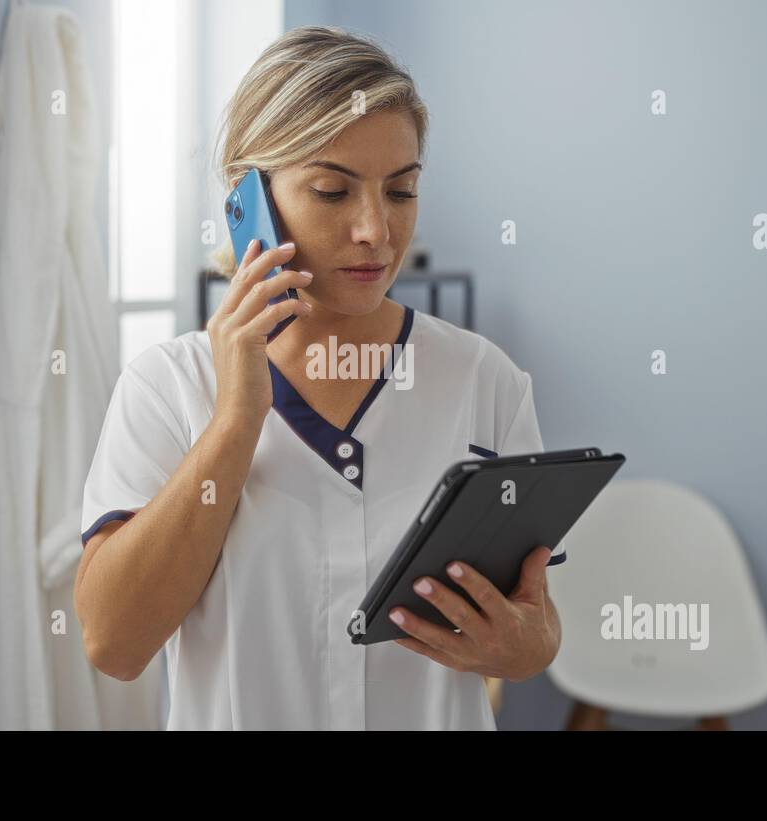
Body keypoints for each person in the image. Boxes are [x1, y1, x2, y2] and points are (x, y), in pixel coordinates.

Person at [74, 25, 566, 730]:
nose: (375, 230)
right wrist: (237, 419)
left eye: (400, 191)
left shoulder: (483, 379)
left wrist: (525, 648)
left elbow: (538, 622)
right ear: (251, 202)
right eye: (333, 191)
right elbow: (115, 644)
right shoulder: (165, 387)